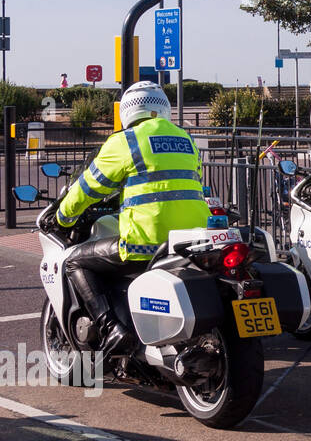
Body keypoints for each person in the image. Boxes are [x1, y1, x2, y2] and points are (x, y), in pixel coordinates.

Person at [56, 81, 209, 356]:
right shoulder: (186, 139)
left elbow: (87, 188)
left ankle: (112, 327)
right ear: (164, 109)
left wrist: (63, 217)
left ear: (127, 111)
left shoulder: (125, 141)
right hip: (191, 239)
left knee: (74, 261)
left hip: (145, 244)